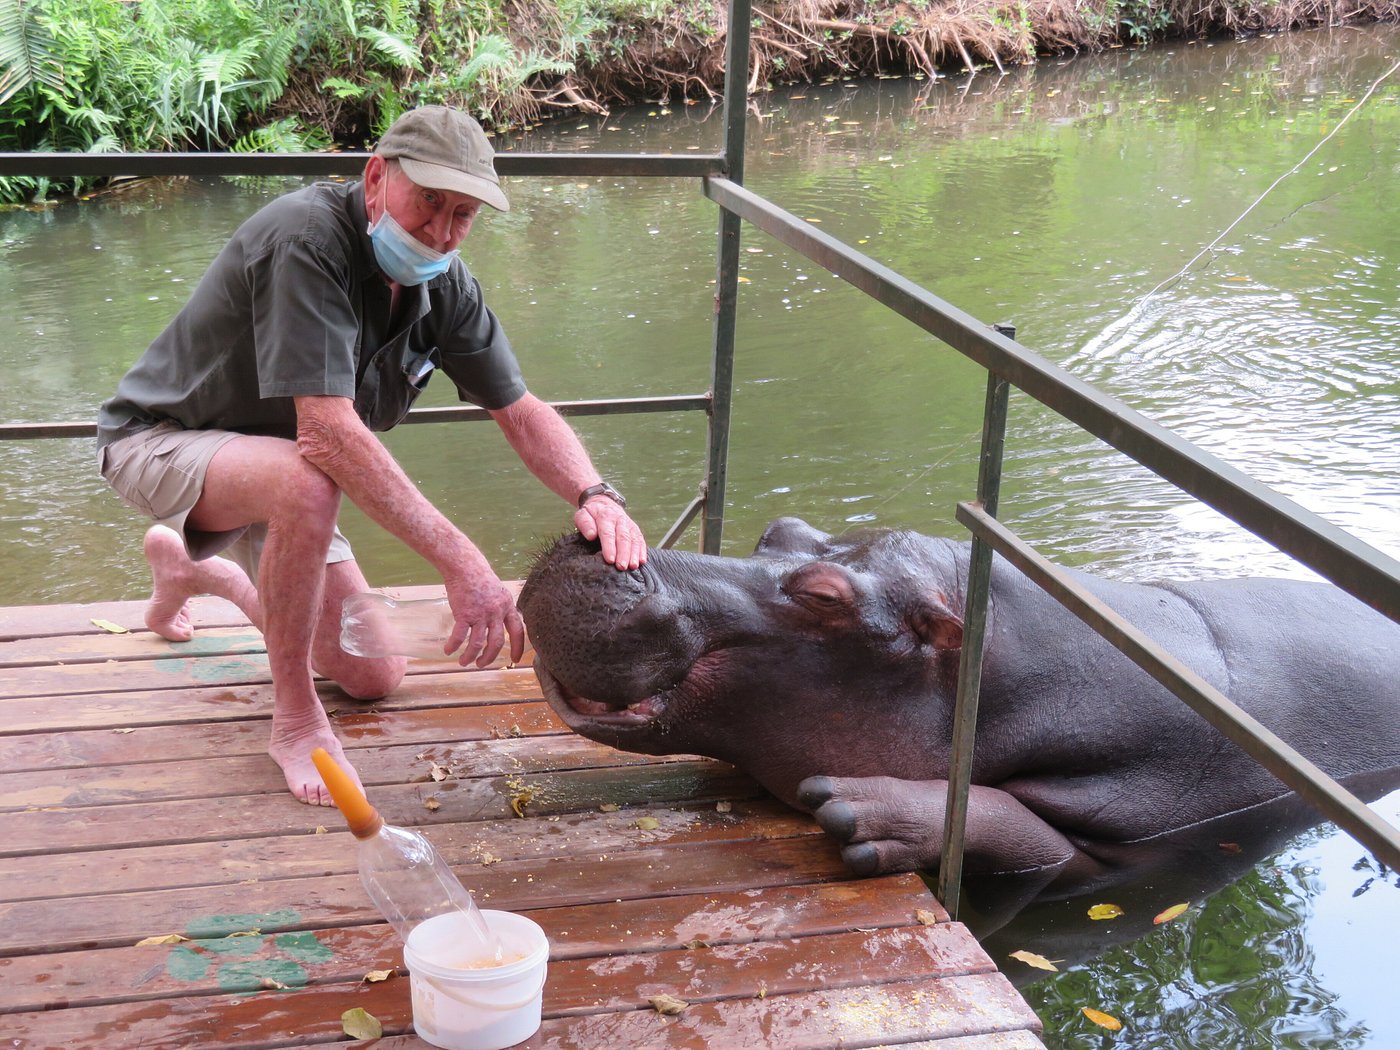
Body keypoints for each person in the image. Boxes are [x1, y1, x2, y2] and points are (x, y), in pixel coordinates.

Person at [96, 105, 647, 807]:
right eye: (430, 204)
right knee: (307, 479)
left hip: (276, 467)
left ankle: (199, 574)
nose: (442, 232)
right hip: (159, 441)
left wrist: (594, 493)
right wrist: (463, 562)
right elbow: (326, 433)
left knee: (372, 670)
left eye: (463, 215)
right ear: (377, 176)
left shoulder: (443, 282)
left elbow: (519, 409)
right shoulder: (306, 238)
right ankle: (294, 721)